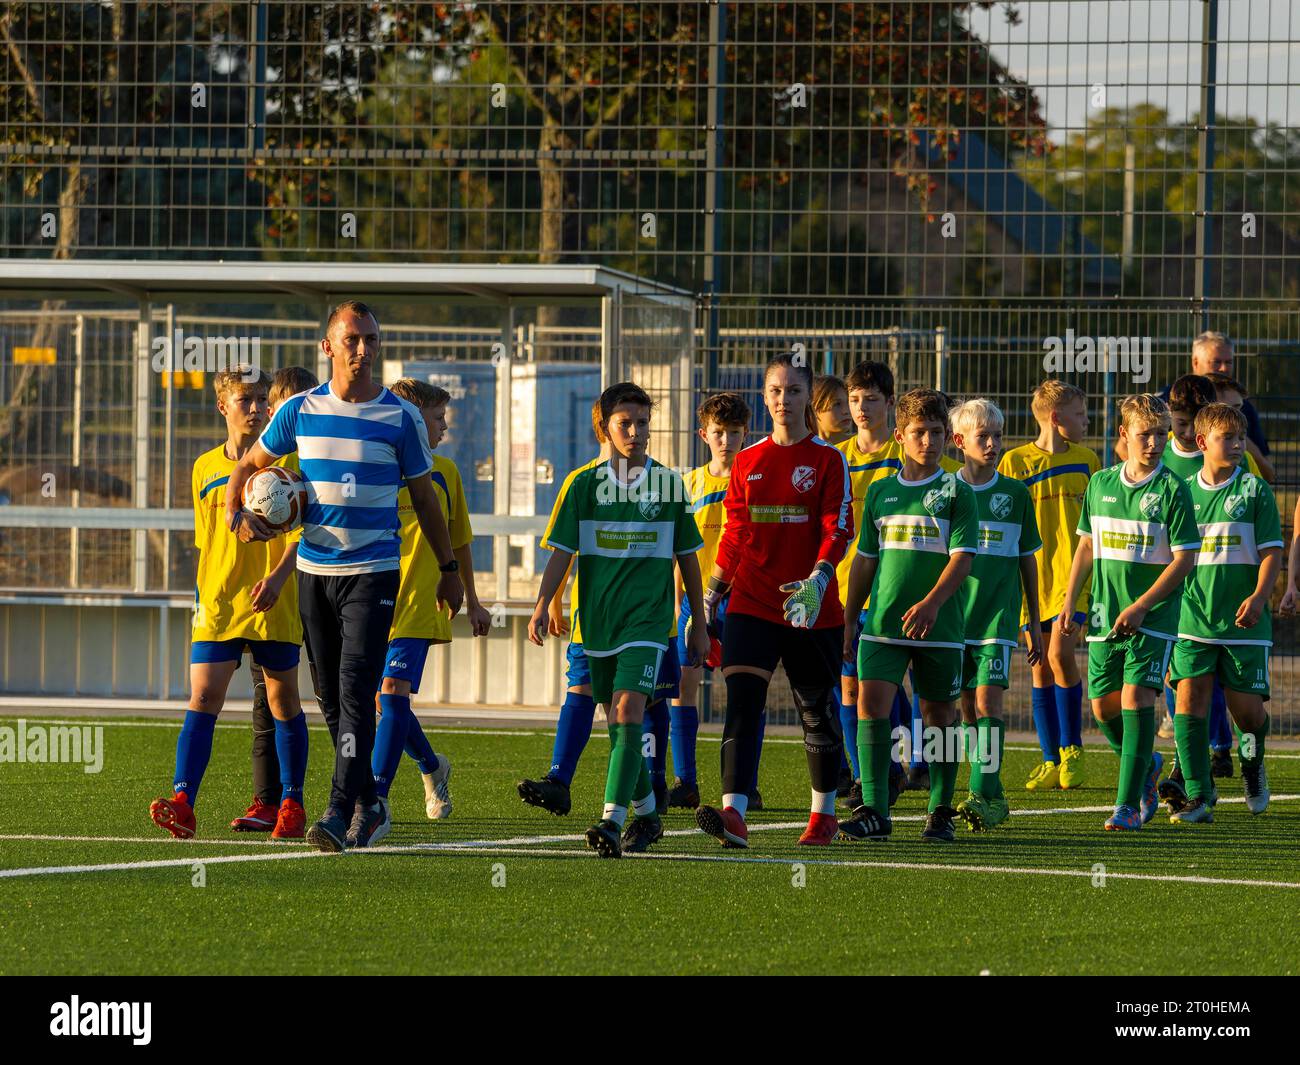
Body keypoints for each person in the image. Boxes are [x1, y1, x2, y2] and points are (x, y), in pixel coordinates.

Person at [225, 300, 464, 853]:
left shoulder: (400, 418)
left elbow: (427, 500)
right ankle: (370, 802)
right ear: (328, 347)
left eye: (371, 341)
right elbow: (247, 467)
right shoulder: (300, 411)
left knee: (358, 689)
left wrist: (449, 570)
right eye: (352, 339)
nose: (363, 350)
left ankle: (337, 810)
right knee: (331, 697)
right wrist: (241, 516)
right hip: (314, 571)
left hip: (375, 573)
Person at [528, 382, 710, 858]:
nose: (636, 431)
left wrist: (701, 623)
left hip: (648, 626)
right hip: (596, 627)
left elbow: (688, 557)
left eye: (643, 422)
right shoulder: (581, 484)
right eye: (625, 423)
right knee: (617, 723)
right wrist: (543, 602)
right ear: (604, 428)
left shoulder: (669, 484)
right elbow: (561, 554)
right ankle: (648, 814)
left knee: (629, 711)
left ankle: (611, 821)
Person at [695, 351, 854, 849]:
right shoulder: (747, 460)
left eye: (795, 392)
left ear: (809, 399)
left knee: (815, 710)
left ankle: (823, 814)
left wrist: (819, 578)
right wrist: (710, 595)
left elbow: (838, 527)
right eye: (776, 391)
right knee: (742, 703)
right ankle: (733, 815)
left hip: (812, 604)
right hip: (752, 601)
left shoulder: (829, 459)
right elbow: (736, 534)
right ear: (765, 397)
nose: (784, 400)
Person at [149, 366, 309, 841]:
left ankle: (292, 804)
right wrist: (203, 597)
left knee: (283, 702)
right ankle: (183, 802)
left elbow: (304, 535)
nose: (257, 408)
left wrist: (279, 579)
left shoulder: (290, 463)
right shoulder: (204, 468)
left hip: (272, 599)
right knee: (203, 698)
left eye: (263, 399)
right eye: (246, 400)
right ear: (223, 406)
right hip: (218, 602)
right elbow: (206, 544)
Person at [840, 388, 978, 843]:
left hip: (940, 626)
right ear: (900, 435)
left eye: (937, 432)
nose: (929, 441)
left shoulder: (958, 490)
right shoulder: (880, 493)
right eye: (919, 432)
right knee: (870, 705)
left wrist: (933, 603)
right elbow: (864, 561)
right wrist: (849, 617)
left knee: (938, 716)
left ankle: (940, 809)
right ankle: (875, 809)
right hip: (881, 624)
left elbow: (962, 559)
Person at [1059, 394, 1198, 832]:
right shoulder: (1100, 484)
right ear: (1124, 435)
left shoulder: (1172, 489)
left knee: (1137, 699)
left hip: (1153, 618)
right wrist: (1070, 601)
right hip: (1103, 613)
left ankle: (1126, 806)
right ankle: (1147, 764)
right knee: (1102, 710)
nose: (1155, 443)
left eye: (1162, 434)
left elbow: (1184, 560)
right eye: (1146, 434)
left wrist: (1141, 606)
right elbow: (1085, 546)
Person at [371, 379, 492, 819]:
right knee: (381, 702)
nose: (444, 427)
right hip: (372, 598)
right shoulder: (377, 464)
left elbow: (459, 541)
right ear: (411, 418)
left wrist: (475, 601)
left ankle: (376, 798)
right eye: (438, 418)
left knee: (393, 690)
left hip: (423, 601)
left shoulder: (445, 471)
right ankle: (431, 765)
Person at [1163, 402, 1280, 822]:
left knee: (1248, 717)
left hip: (1244, 623)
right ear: (1202, 442)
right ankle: (1198, 794)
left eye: (1240, 438)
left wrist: (1260, 597)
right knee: (1188, 706)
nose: (1236, 445)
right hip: (1192, 620)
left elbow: (1271, 554)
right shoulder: (1181, 492)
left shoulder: (1254, 490)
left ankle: (1252, 765)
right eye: (1226, 438)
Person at [230, 364, 320, 831]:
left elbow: (306, 534)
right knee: (265, 698)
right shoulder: (266, 467)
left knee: (332, 694)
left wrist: (281, 577)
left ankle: (359, 793)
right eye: (278, 404)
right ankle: (268, 801)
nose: (277, 411)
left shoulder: (315, 461)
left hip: (316, 588)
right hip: (271, 600)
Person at [999, 380, 1099, 791]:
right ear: (1057, 419)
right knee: (1039, 667)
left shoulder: (1088, 461)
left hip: (1073, 580)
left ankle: (1073, 747)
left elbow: (1094, 529)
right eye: (1080, 414)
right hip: (1030, 582)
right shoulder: (1013, 463)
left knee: (1059, 654)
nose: (1087, 420)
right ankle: (1050, 757)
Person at [949, 399, 1043, 831]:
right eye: (983, 437)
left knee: (987, 702)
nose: (992, 444)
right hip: (953, 620)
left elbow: (1027, 561)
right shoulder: (946, 492)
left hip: (996, 622)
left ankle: (976, 793)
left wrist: (1034, 623)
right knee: (965, 707)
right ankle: (994, 794)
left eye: (998, 436)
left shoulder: (1015, 493)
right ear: (959, 442)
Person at [667, 391, 751, 809]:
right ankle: (685, 781)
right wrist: (679, 599)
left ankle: (744, 783)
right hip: (695, 601)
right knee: (684, 686)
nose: (726, 441)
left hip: (742, 596)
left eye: (733, 433)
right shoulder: (690, 483)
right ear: (704, 434)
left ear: (744, 433)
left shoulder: (753, 476)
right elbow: (679, 548)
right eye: (718, 433)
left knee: (742, 688)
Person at [812, 374, 853, 444]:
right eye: (837, 404)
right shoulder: (802, 450)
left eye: (848, 402)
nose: (846, 411)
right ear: (814, 409)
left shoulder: (862, 446)